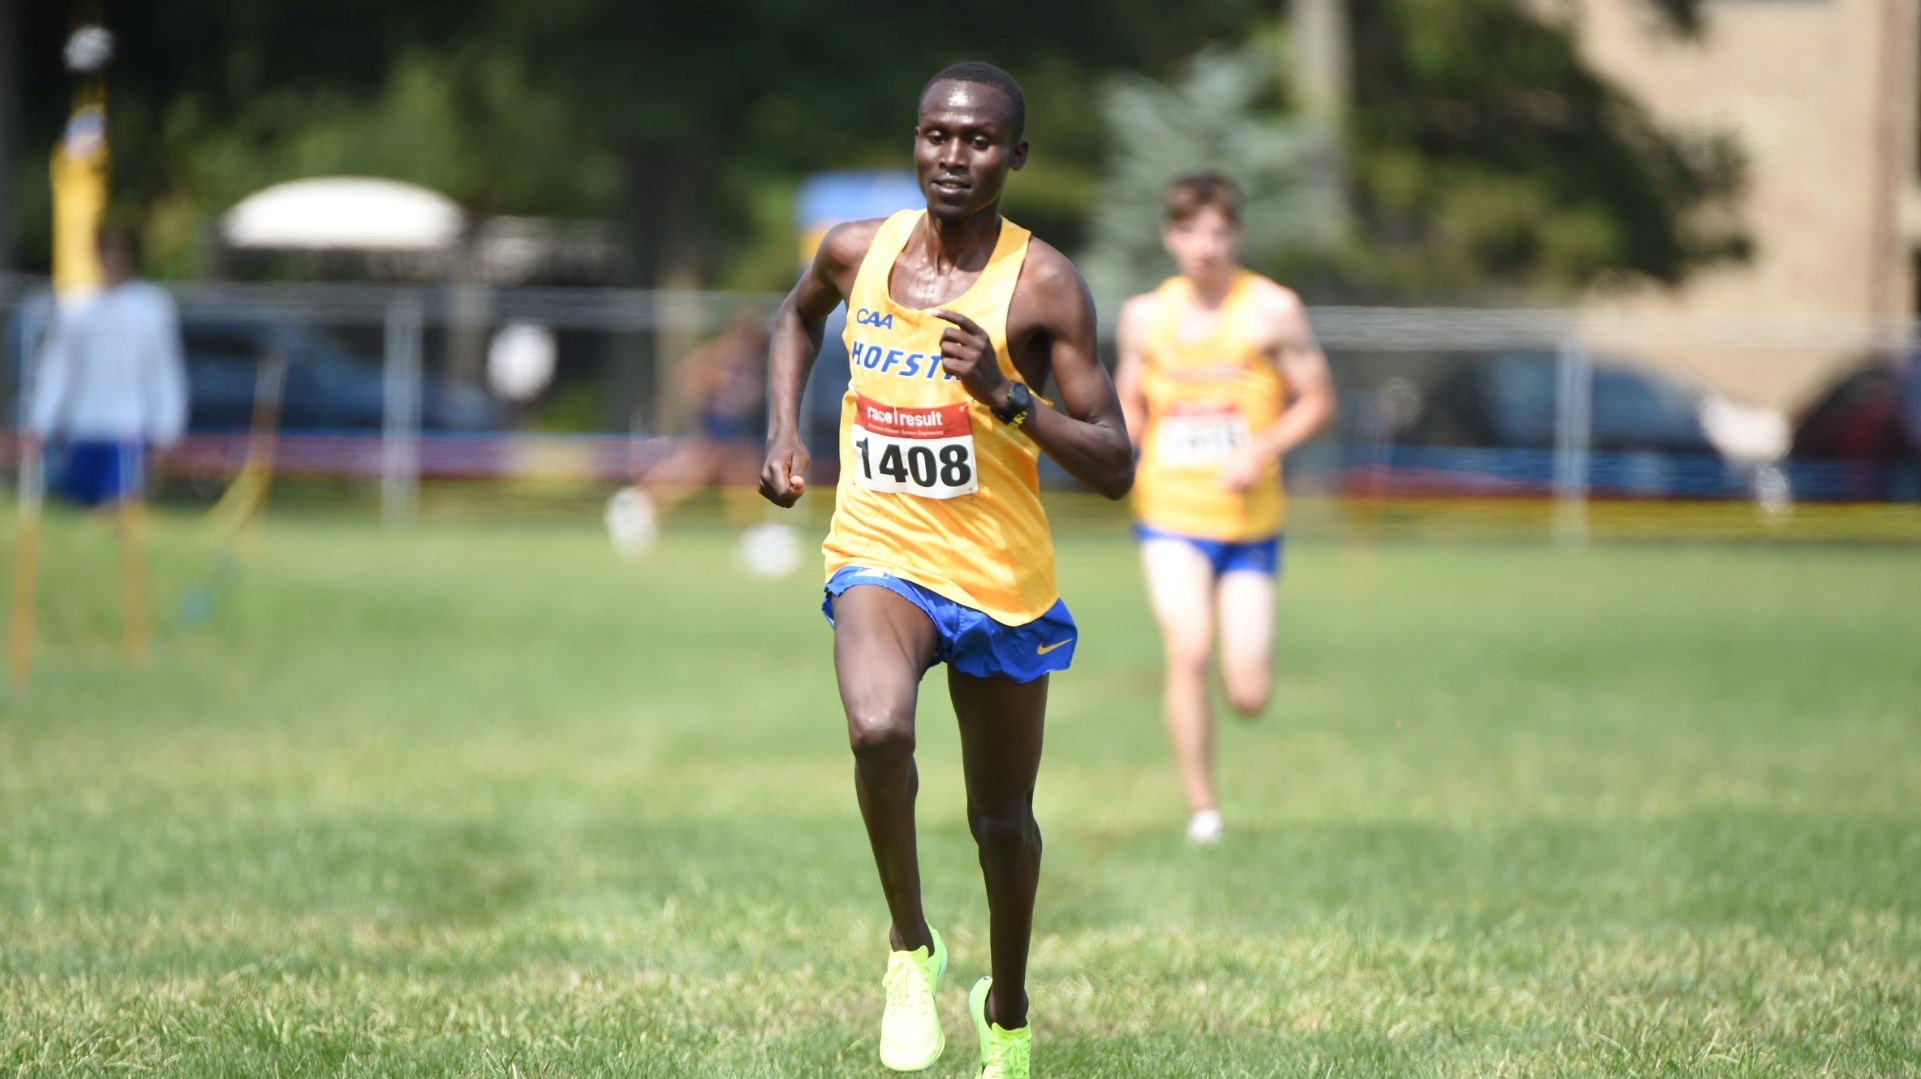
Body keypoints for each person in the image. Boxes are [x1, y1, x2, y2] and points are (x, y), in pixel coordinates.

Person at [758, 62, 1132, 1078]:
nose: (952, 156)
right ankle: (908, 949)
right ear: (914, 142)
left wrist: (1012, 399)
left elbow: (1115, 464)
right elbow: (792, 320)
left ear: (1014, 156)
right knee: (877, 727)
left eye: (976, 141)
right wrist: (786, 434)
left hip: (1000, 578)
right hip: (881, 549)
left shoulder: (1044, 283)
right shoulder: (853, 252)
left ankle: (1005, 1010)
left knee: (1000, 823)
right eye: (935, 135)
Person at [1112, 172, 1337, 846]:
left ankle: (1233, 719)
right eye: (1190, 231)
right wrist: (1124, 446)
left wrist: (1260, 448)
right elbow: (1129, 399)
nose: (1203, 245)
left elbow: (1318, 400)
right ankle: (1202, 810)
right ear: (1170, 236)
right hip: (1170, 513)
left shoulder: (1271, 309)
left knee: (1246, 691)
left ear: (1235, 234)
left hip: (1248, 524)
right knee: (1187, 648)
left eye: (1217, 231)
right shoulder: (1144, 317)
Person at [604, 313, 799, 575]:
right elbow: (690, 378)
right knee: (706, 468)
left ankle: (751, 532)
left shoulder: (754, 360)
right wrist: (711, 396)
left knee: (736, 473)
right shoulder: (721, 355)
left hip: (733, 432)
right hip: (717, 427)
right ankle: (642, 503)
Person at [25, 226, 187, 510]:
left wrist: (167, 428)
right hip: (83, 425)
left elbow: (164, 371)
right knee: (81, 508)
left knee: (120, 508)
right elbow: (58, 370)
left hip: (129, 427)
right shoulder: (76, 308)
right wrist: (41, 422)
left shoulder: (152, 308)